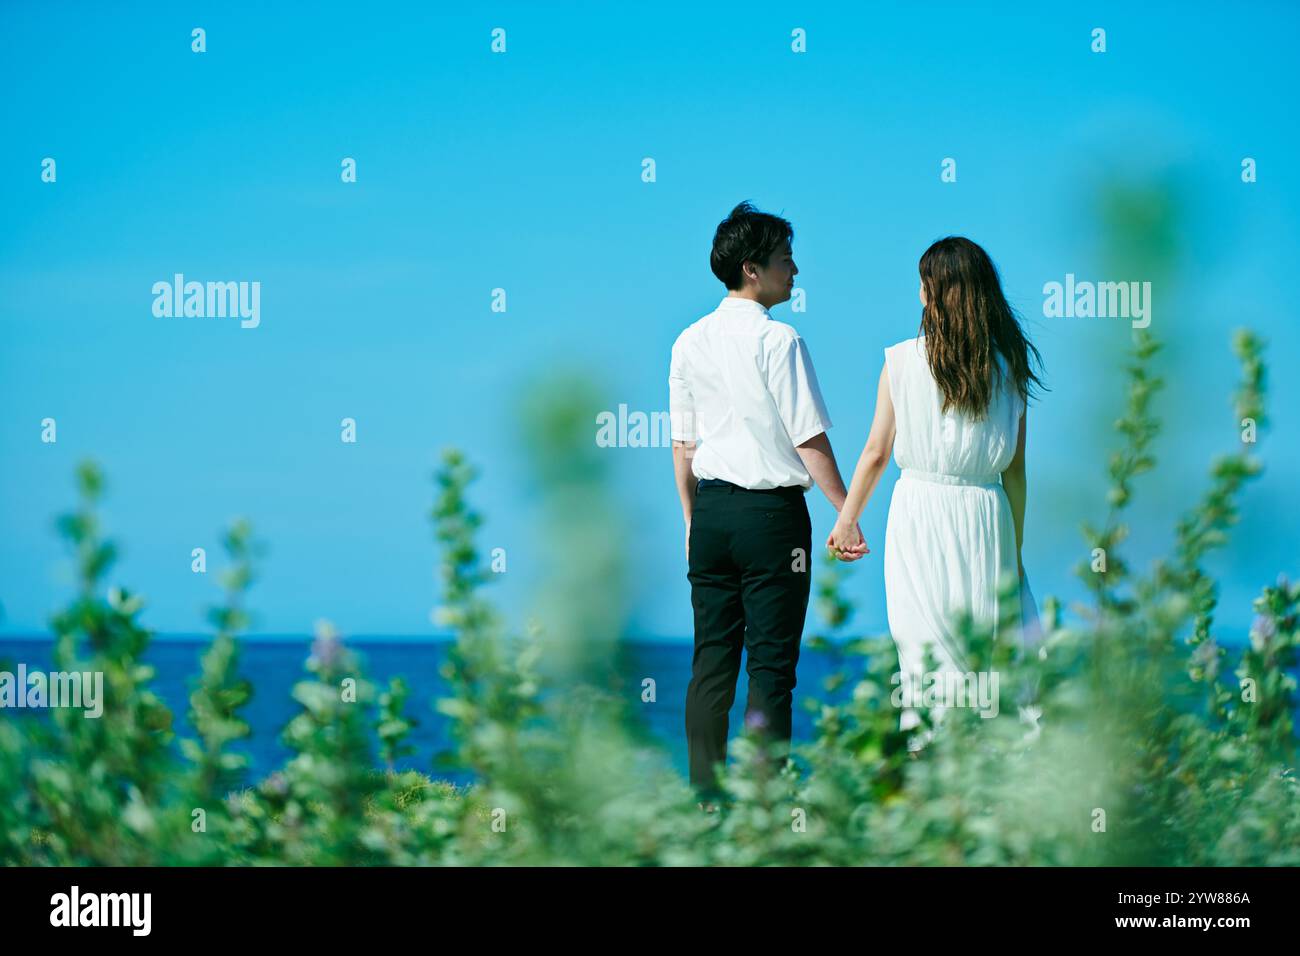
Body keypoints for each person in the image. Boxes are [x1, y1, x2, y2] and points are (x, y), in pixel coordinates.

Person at [669, 202, 862, 811]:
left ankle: (705, 802)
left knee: (711, 664)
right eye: (785, 259)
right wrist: (846, 511)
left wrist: (691, 520)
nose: (795, 269)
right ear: (753, 269)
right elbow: (809, 439)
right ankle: (762, 810)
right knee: (772, 668)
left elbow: (683, 445)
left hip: (712, 515)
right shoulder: (779, 338)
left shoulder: (687, 340)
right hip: (773, 519)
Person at [828, 236, 1044, 749]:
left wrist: (846, 518)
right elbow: (1016, 470)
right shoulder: (1008, 367)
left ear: (934, 291)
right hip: (988, 515)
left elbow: (877, 451)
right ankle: (988, 767)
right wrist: (1013, 546)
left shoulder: (902, 361)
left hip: (919, 512)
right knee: (983, 654)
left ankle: (932, 765)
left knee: (924, 649)